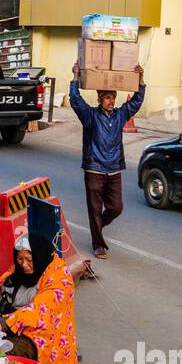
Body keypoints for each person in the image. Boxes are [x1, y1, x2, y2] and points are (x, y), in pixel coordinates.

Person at [0, 233, 78, 364]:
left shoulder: (60, 277)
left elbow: (40, 309)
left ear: (39, 257)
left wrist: (4, 323)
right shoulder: (20, 268)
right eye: (19, 259)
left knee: (2, 356)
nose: (24, 265)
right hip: (14, 321)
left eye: (29, 260)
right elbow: (0, 286)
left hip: (39, 333)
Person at [70, 62, 145, 260]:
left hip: (114, 169)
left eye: (113, 97)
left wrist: (141, 79)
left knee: (116, 207)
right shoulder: (90, 116)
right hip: (94, 168)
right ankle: (98, 244)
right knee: (94, 208)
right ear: (100, 99)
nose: (111, 101)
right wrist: (75, 78)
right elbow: (75, 100)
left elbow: (137, 101)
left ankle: (97, 225)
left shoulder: (120, 115)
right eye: (107, 98)